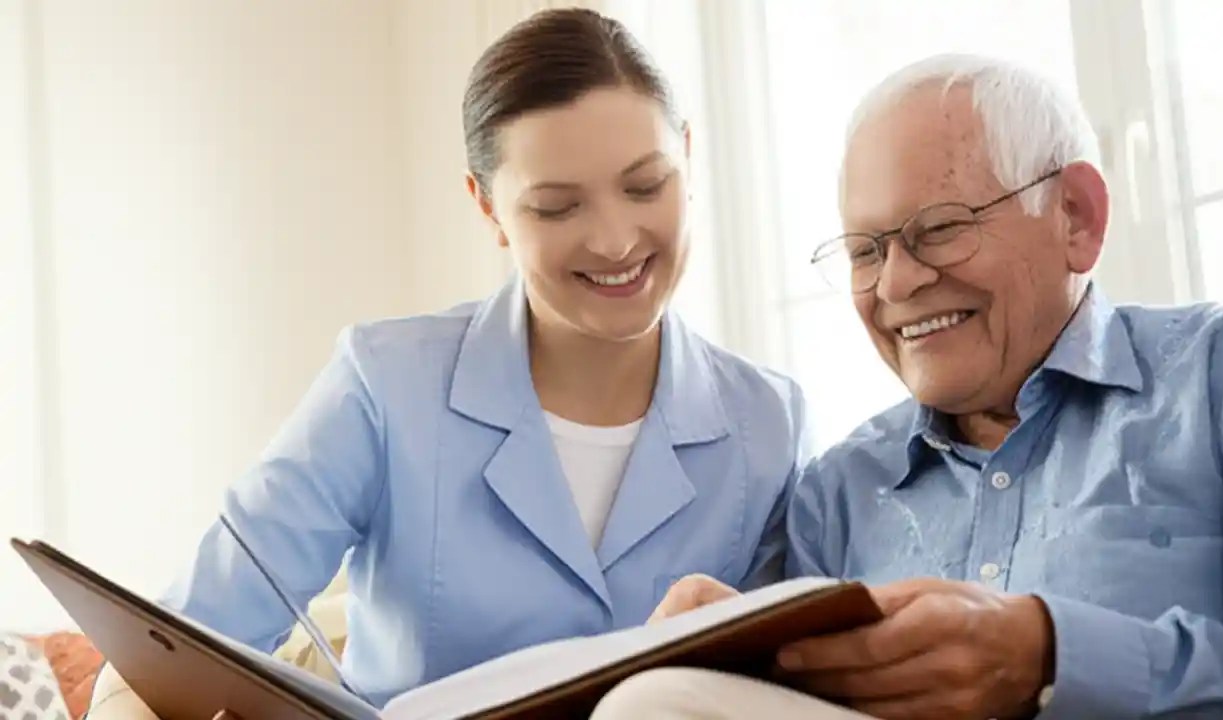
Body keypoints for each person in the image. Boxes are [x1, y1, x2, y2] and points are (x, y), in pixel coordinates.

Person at [86, 8, 811, 717]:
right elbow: (181, 642)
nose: (617, 240)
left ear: (688, 154)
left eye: (646, 185)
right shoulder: (386, 383)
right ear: (487, 208)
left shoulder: (769, 425)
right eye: (558, 208)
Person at [593, 54, 1223, 720]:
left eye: (943, 228)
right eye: (865, 251)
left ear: (1075, 215)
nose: (896, 284)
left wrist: (1051, 657)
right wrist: (729, 659)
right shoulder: (837, 495)